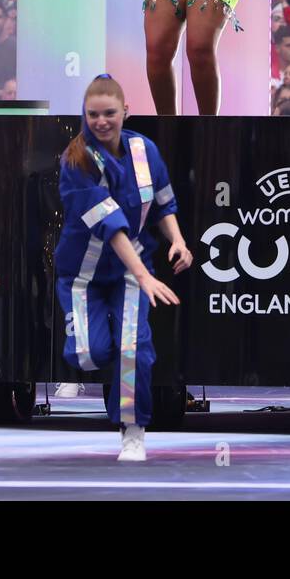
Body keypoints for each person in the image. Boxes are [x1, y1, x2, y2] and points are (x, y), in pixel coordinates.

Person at [54, 74, 192, 461]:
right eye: (93, 114)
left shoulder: (144, 149)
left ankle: (132, 428)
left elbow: (164, 204)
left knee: (133, 349)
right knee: (91, 353)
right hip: (84, 277)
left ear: (125, 112)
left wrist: (177, 241)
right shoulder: (76, 161)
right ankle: (110, 365)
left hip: (132, 275)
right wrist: (148, 276)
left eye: (109, 113)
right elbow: (111, 227)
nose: (101, 121)